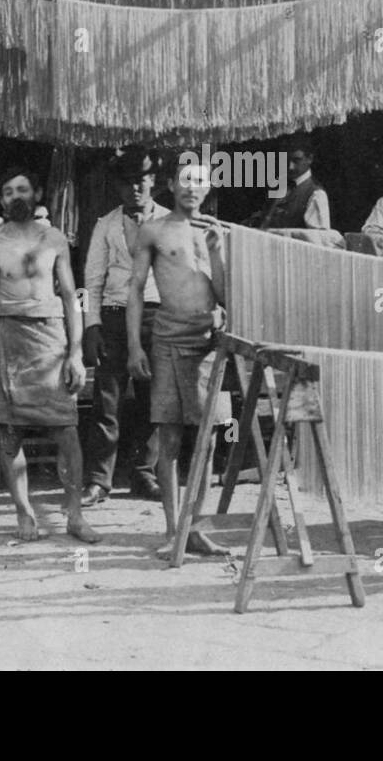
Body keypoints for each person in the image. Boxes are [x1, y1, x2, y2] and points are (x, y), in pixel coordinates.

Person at [0, 167, 99, 544]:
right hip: (8, 338)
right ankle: (25, 514)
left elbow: (71, 298)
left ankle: (74, 515)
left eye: (23, 190)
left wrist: (75, 353)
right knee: (10, 432)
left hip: (50, 339)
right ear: (1, 201)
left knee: (67, 432)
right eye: (8, 192)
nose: (16, 197)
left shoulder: (55, 239)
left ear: (38, 193)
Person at [126, 159, 230, 559]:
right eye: (185, 180)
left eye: (199, 181)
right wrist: (135, 346)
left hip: (208, 340)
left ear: (208, 187)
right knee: (168, 435)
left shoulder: (214, 231)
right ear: (170, 184)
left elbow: (224, 295)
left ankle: (196, 528)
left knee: (208, 436)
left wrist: (218, 255)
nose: (191, 188)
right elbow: (135, 289)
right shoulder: (153, 230)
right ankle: (173, 530)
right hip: (167, 338)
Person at [81, 149, 166, 507]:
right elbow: (93, 280)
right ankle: (99, 481)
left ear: (153, 181)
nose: (135, 187)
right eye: (127, 181)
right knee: (107, 402)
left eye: (141, 179)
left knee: (155, 402)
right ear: (118, 186)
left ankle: (144, 474)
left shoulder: (172, 222)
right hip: (115, 318)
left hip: (157, 317)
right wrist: (92, 326)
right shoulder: (106, 224)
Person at [249, 135, 331, 230]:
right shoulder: (279, 185)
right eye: (286, 160)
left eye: (296, 160)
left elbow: (319, 237)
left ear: (310, 159)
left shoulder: (316, 194)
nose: (290, 167)